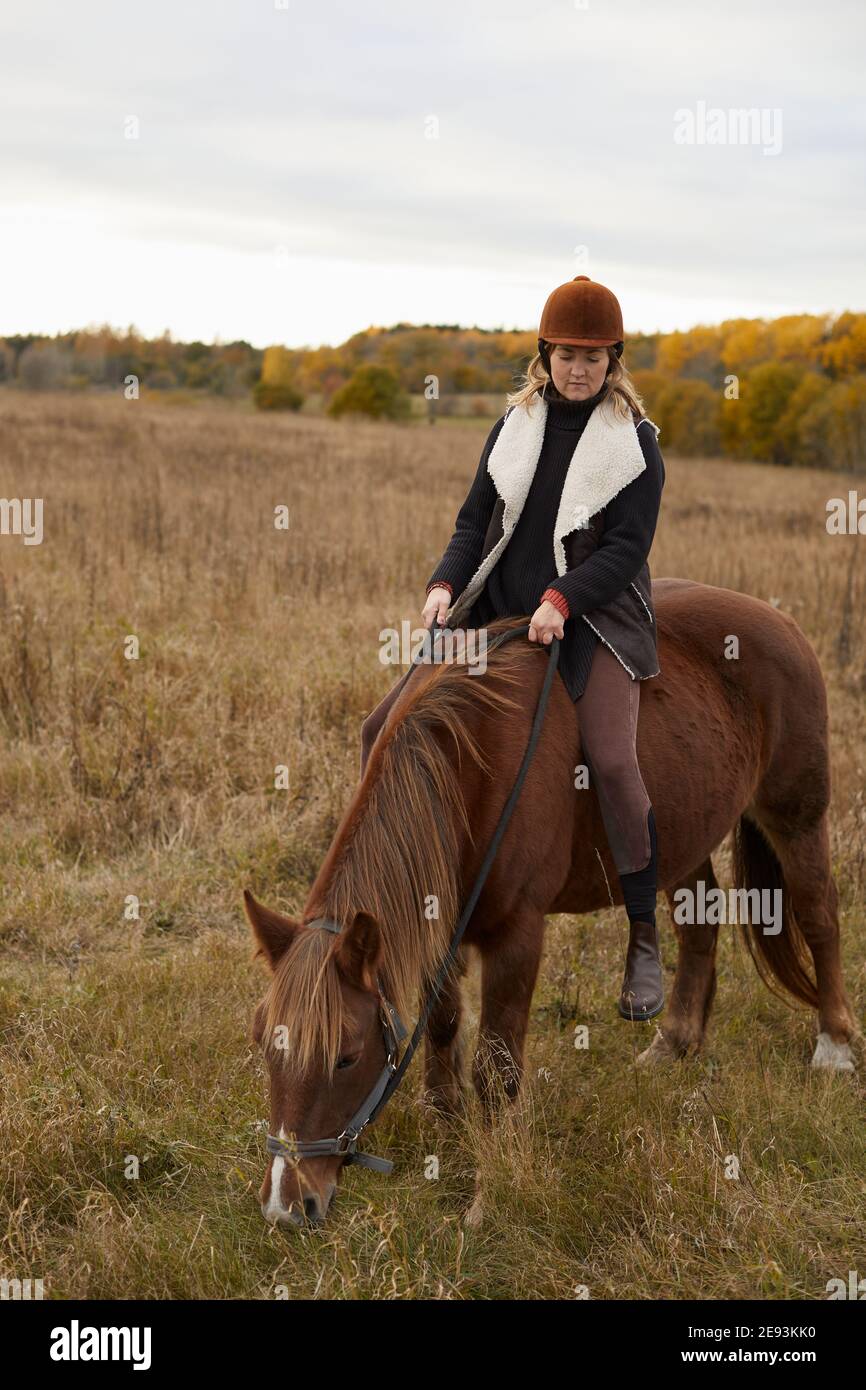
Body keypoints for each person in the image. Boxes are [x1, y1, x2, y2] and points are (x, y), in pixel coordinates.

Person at [360, 275, 665, 1021]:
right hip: (496, 613)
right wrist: (443, 583)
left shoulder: (636, 446)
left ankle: (643, 931)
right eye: (567, 354)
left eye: (595, 357)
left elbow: (625, 551)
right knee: (381, 728)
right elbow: (473, 523)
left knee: (617, 762)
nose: (579, 369)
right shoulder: (514, 426)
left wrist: (563, 598)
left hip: (591, 617)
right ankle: (405, 898)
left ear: (613, 361)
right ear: (546, 354)